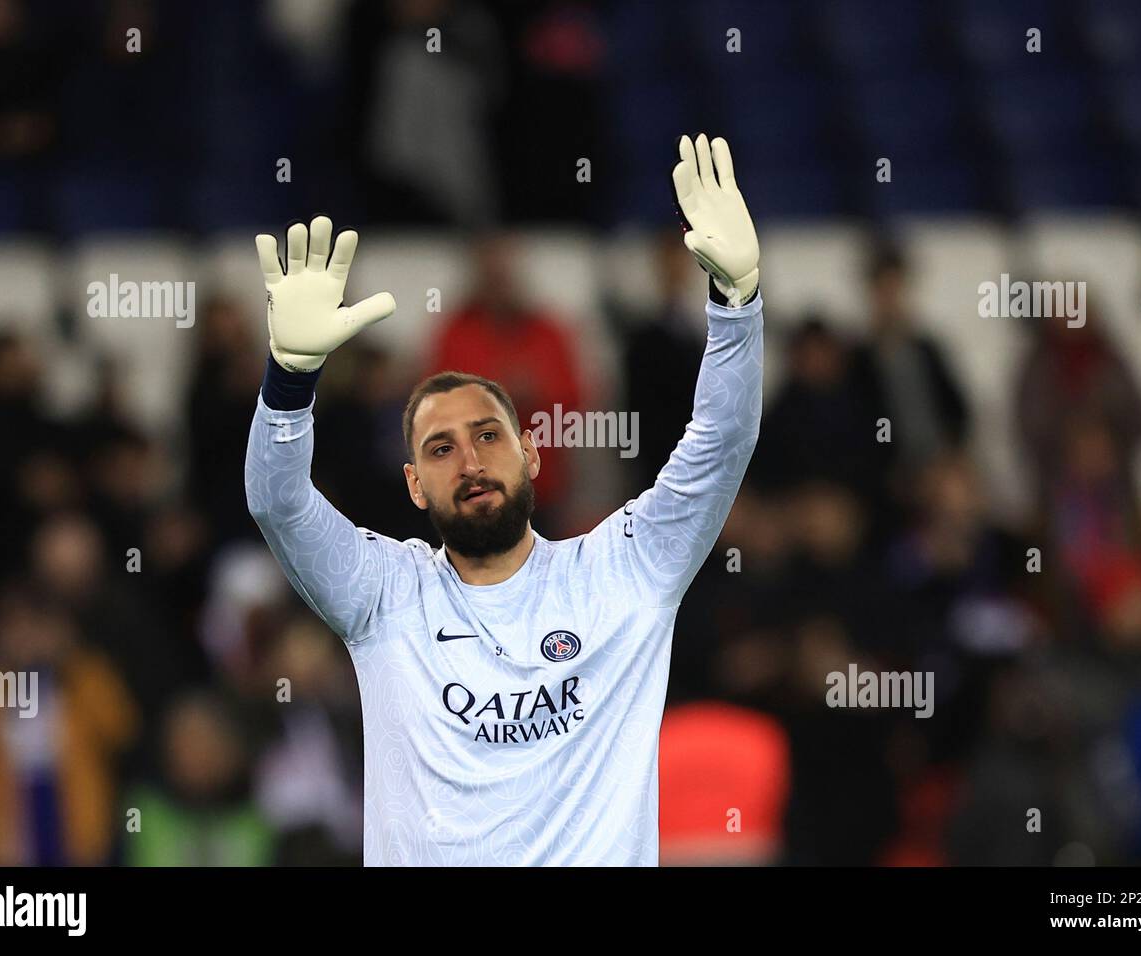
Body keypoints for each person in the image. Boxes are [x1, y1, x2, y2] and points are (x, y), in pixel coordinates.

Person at [244, 133, 763, 865]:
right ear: (414, 486)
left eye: (490, 435)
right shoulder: (385, 593)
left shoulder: (624, 571)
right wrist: (290, 380)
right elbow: (277, 503)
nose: (470, 460)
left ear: (533, 454)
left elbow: (720, 440)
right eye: (440, 447)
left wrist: (736, 306)